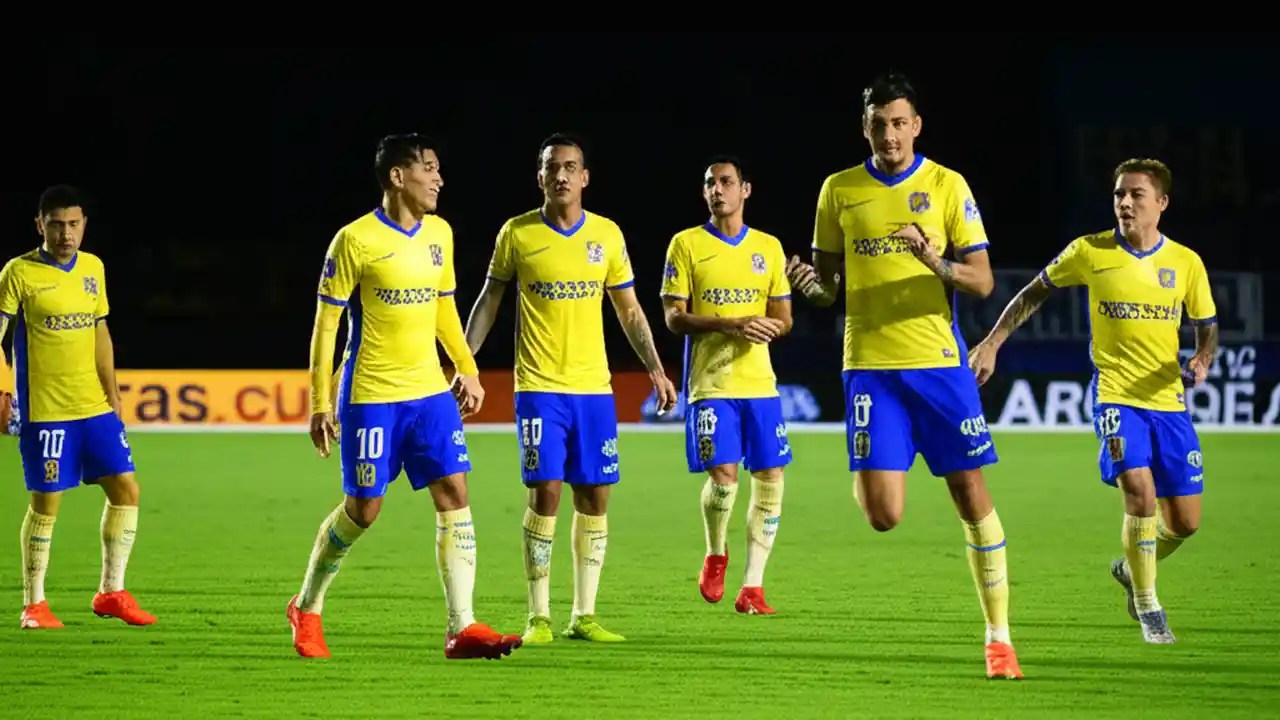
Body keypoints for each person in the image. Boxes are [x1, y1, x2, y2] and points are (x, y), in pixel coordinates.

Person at [786, 72, 1022, 679]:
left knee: (970, 493)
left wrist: (931, 259)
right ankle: (887, 460)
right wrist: (811, 289)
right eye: (877, 124)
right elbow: (828, 287)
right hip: (868, 367)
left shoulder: (947, 185)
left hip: (939, 365)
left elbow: (984, 280)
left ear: (916, 125)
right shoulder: (839, 190)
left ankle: (998, 638)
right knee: (882, 514)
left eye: (899, 123)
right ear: (864, 126)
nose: (889, 134)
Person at [287, 133, 522, 660]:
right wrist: (320, 401)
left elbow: (444, 309)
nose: (439, 179)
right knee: (364, 510)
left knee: (454, 494)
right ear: (398, 176)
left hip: (429, 394)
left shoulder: (440, 233)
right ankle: (307, 605)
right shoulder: (355, 240)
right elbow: (326, 325)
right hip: (371, 394)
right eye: (429, 168)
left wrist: (467, 367)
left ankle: (461, 627)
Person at [969, 157, 1214, 645]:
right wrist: (993, 342)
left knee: (1185, 522)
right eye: (1119, 194)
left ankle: (1131, 567)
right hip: (1115, 397)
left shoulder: (1186, 263)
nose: (1124, 202)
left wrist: (1203, 358)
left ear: (1161, 203)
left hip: (1168, 402)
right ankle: (1148, 606)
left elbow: (1206, 327)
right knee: (1140, 492)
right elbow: (1033, 292)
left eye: (1136, 195)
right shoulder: (1090, 251)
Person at [464, 132, 678, 645]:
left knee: (596, 495)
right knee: (546, 493)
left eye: (571, 166)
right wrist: (464, 361)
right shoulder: (517, 234)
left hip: (594, 391)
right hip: (539, 386)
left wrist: (655, 368)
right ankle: (537, 615)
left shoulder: (607, 235)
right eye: (552, 167)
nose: (561, 175)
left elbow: (628, 309)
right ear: (539, 177)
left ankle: (583, 614)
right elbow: (490, 300)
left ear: (585, 177)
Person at [0, 184, 157, 629]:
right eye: (56, 224)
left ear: (84, 224)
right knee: (47, 503)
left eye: (73, 224)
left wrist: (114, 394)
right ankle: (34, 604)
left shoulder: (93, 268)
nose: (66, 233)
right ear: (39, 225)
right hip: (45, 410)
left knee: (126, 490)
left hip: (94, 407)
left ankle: (112, 592)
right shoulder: (18, 273)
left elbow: (99, 333)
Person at [659, 156, 792, 615]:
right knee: (724, 480)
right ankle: (716, 552)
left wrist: (768, 328)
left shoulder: (768, 248)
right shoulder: (686, 244)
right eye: (710, 183)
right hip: (710, 383)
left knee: (771, 476)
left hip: (761, 386)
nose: (717, 189)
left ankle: (752, 588)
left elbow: (784, 318)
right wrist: (733, 324)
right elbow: (674, 317)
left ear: (746, 190)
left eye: (726, 182)